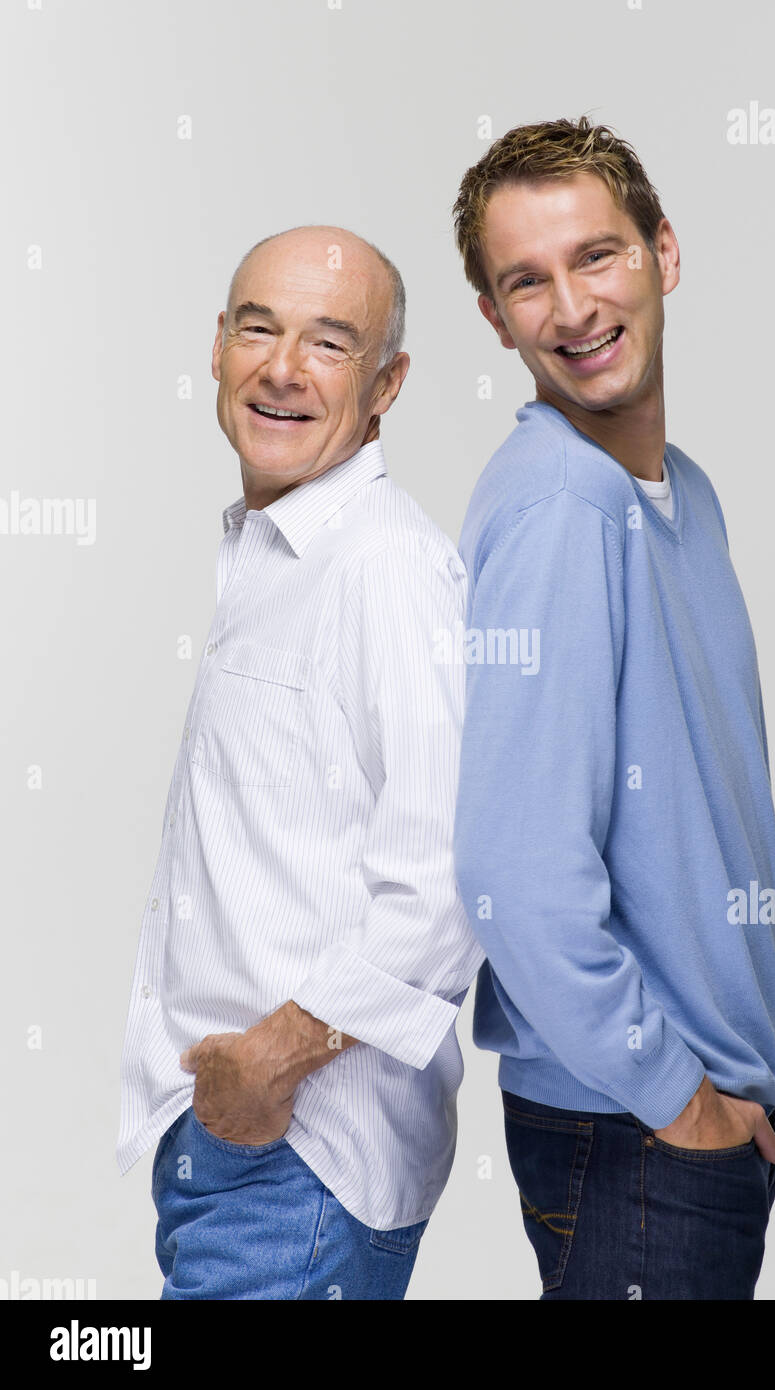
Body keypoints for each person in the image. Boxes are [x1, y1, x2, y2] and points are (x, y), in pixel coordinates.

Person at [451, 117, 775, 1300]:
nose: (571, 306)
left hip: (702, 1116)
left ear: (662, 252)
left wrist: (766, 1028)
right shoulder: (562, 508)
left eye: (595, 257)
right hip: (632, 1136)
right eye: (526, 282)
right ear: (496, 319)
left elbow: (706, 800)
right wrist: (679, 1096)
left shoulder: (679, 494)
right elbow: (515, 868)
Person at [117, 225, 483, 1300]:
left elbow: (450, 875)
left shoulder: (387, 572)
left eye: (329, 343)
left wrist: (269, 1064)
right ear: (218, 348)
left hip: (302, 1160)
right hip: (236, 1146)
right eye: (257, 328)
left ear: (387, 384)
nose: (281, 369)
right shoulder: (272, 555)